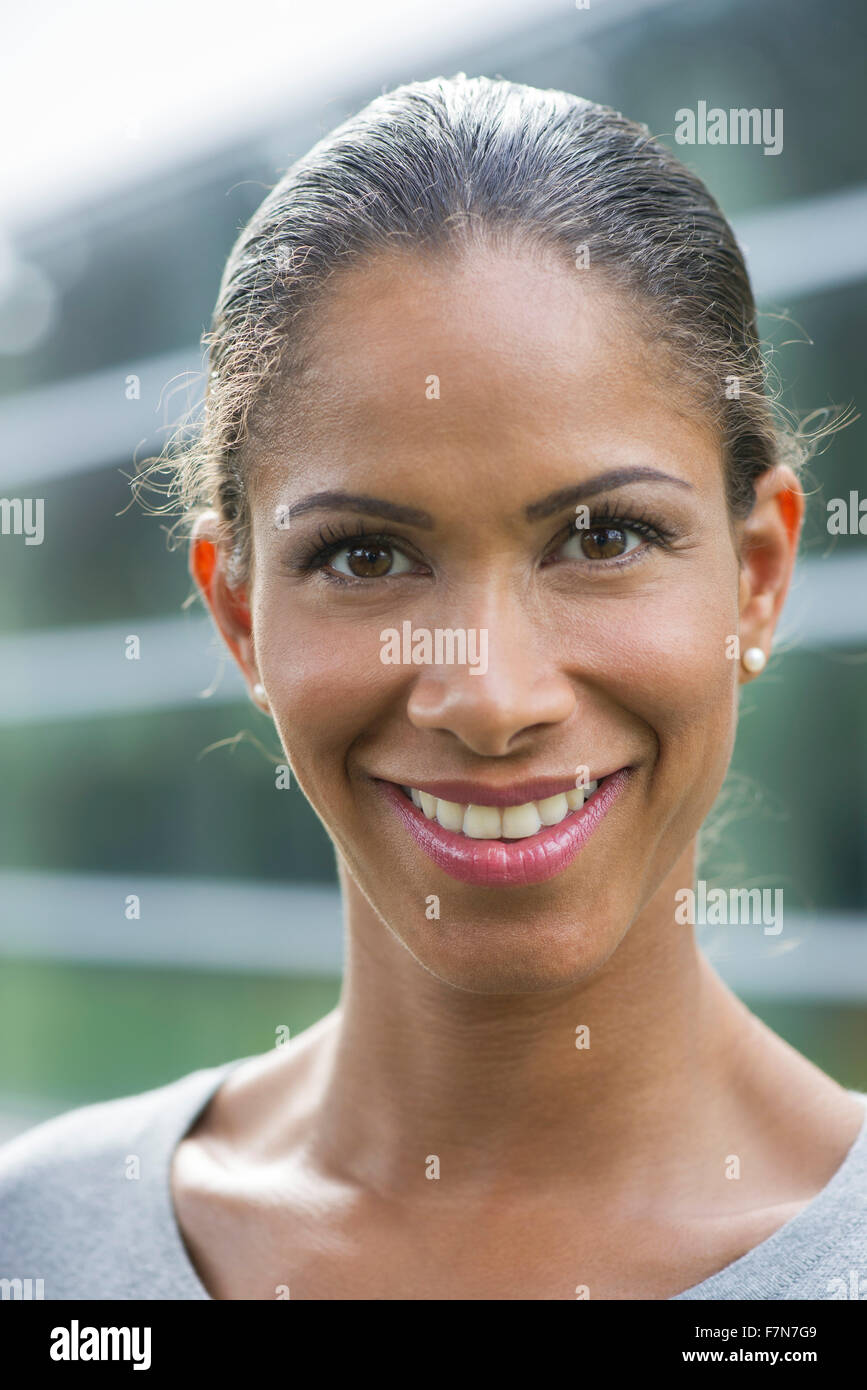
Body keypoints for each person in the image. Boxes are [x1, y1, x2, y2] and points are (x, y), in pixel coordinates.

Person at [1, 75, 864, 1301]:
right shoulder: (38, 1251)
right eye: (366, 556)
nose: (492, 696)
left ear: (759, 576)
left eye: (604, 537)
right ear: (241, 615)